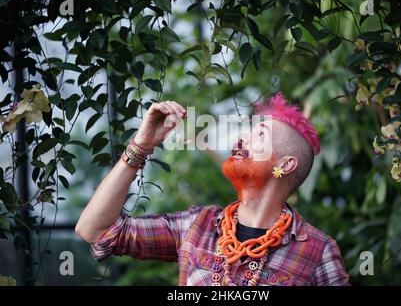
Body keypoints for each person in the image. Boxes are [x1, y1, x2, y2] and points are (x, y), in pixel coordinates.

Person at [75, 92, 350, 286]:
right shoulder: (196, 226)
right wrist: (141, 145)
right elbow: (95, 230)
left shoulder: (317, 251)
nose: (242, 138)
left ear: (286, 164)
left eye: (260, 135)